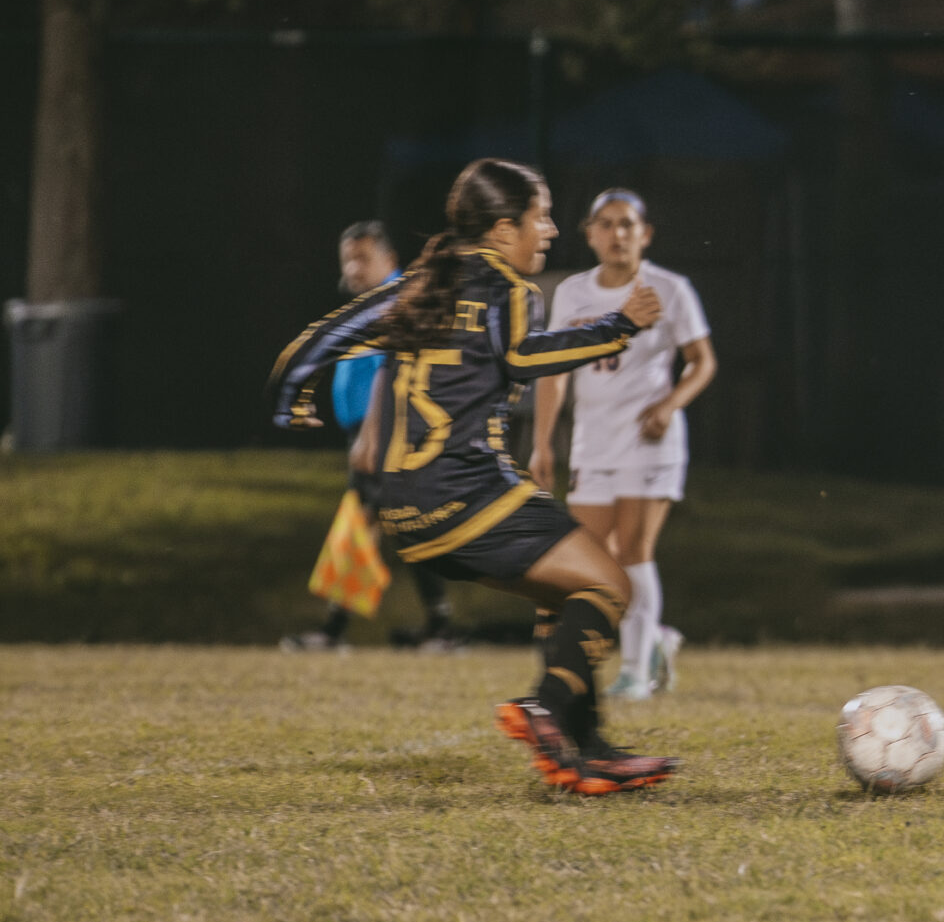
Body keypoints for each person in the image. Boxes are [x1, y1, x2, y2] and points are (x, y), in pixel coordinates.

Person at [270, 158, 678, 796]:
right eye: (539, 218)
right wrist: (617, 327)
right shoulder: (513, 291)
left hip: (404, 508)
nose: (548, 231)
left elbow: (324, 335)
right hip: (468, 492)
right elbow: (523, 357)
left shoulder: (420, 284)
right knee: (609, 588)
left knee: (561, 593)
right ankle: (547, 710)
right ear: (500, 228)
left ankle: (584, 749)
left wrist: (292, 397)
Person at [534, 189, 717, 700]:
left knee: (634, 552)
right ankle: (654, 640)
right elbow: (554, 373)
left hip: (650, 443)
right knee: (593, 562)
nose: (618, 234)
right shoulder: (572, 293)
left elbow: (702, 361)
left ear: (645, 234)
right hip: (594, 445)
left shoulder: (669, 288)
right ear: (590, 233)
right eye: (607, 224)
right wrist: (543, 445)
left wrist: (669, 405)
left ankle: (636, 672)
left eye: (628, 225)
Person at [281, 222, 461, 654]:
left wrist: (372, 435)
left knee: (384, 524)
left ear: (389, 258)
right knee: (376, 526)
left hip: (387, 431)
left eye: (363, 257)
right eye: (348, 257)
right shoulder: (371, 304)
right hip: (373, 431)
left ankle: (428, 627)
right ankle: (433, 626)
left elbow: (395, 368)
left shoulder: (396, 300)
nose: (353, 266)